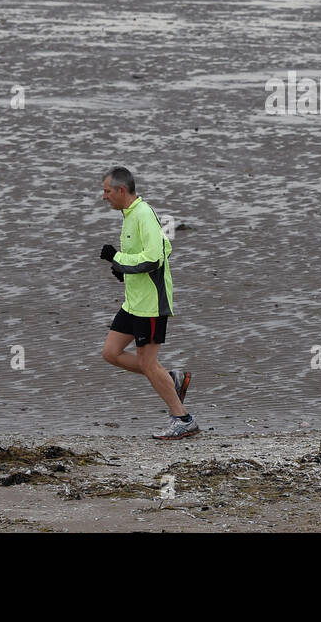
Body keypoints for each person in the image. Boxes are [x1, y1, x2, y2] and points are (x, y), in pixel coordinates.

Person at [99, 166, 198, 439]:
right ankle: (171, 379)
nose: (104, 197)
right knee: (111, 352)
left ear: (121, 190)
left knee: (148, 363)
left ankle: (184, 419)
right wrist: (124, 271)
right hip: (134, 302)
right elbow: (164, 248)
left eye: (107, 191)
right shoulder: (129, 215)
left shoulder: (143, 214)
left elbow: (154, 258)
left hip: (151, 305)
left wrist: (117, 259)